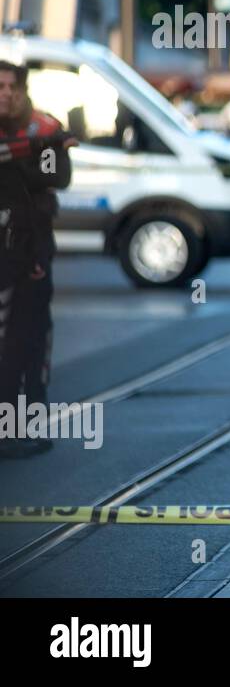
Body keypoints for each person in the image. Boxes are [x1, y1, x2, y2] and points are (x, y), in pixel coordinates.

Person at [0, 60, 75, 458]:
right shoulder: (42, 138)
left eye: (12, 86)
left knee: (29, 338)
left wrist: (19, 159)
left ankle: (26, 423)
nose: (5, 93)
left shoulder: (45, 128)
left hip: (31, 249)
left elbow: (54, 176)